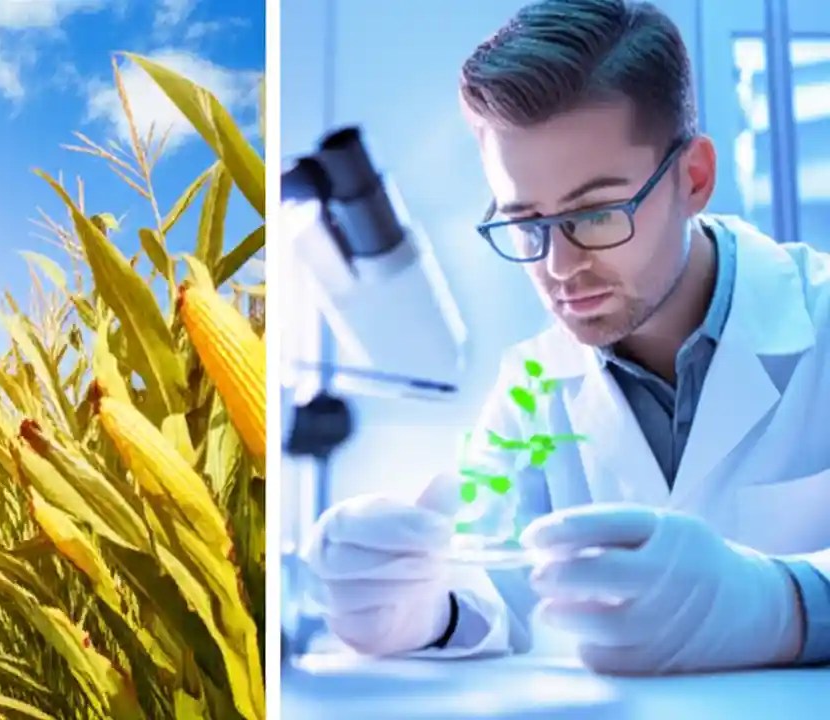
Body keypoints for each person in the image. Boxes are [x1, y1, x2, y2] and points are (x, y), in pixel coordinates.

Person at [302, 0, 830, 676]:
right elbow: (496, 585)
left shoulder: (817, 316)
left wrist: (784, 606)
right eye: (525, 222)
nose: (558, 267)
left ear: (693, 179)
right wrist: (423, 610)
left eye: (597, 214)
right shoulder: (533, 385)